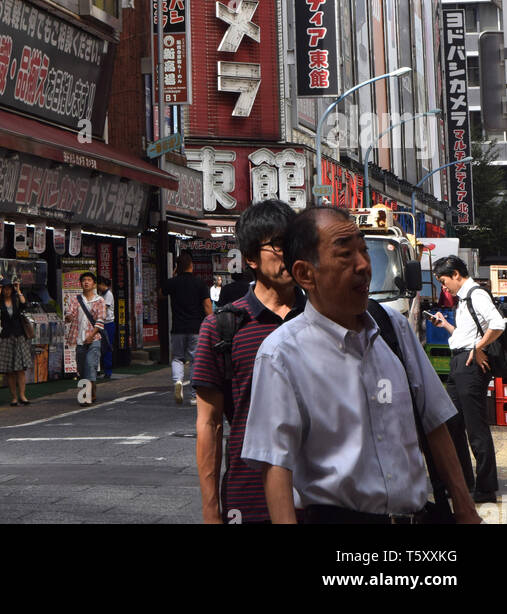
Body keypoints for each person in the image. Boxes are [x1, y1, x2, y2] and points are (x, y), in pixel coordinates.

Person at [242, 207, 481, 525]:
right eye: (345, 255)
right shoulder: (281, 355)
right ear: (305, 274)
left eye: (363, 251)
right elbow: (275, 466)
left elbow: (434, 424)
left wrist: (465, 510)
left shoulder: (393, 327)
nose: (363, 266)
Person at [192, 200, 303, 524]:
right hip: (249, 498)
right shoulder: (223, 327)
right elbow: (209, 424)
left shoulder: (323, 319)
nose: (288, 254)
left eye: (294, 244)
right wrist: (211, 510)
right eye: (278, 245)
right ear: (251, 258)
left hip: (321, 494)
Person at [433, 254, 504, 504]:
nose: (444, 287)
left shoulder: (476, 294)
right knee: (452, 423)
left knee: (476, 428)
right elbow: (465, 335)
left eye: (444, 281)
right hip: (459, 362)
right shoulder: (463, 299)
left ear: (456, 275)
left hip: (471, 366)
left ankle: (485, 488)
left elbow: (498, 323)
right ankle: (464, 481)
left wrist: (477, 347)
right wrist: (446, 326)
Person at [161, 250, 212, 404]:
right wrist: (212, 323)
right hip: (197, 328)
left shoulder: (172, 283)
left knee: (177, 358)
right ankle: (194, 395)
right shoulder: (200, 283)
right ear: (192, 265)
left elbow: (161, 294)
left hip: (177, 328)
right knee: (196, 359)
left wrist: (174, 275)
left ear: (178, 267)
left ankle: (178, 382)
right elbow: (207, 305)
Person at [67, 271, 105, 403]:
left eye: (89, 280)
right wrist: (69, 317)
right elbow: (69, 314)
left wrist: (92, 335)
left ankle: (86, 396)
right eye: (84, 280)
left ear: (94, 284)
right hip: (79, 338)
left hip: (94, 338)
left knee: (90, 364)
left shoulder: (99, 300)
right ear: (81, 283)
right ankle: (92, 391)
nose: (86, 282)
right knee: (82, 368)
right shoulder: (75, 299)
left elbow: (100, 320)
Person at [0, 277, 32, 405]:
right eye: (4, 288)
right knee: (9, 370)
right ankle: (14, 397)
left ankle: (22, 395)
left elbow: (24, 304)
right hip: (6, 336)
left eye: (8, 288)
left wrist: (19, 290)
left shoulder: (16, 299)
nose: (7, 291)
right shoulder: (1, 301)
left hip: (19, 335)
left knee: (20, 369)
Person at [97, 276, 115, 380]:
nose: (97, 287)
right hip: (101, 323)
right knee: (99, 347)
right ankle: (101, 370)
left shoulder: (108, 294)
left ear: (102, 284)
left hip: (108, 323)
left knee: (107, 347)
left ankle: (108, 371)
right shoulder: (101, 294)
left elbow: (104, 308)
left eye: (98, 285)